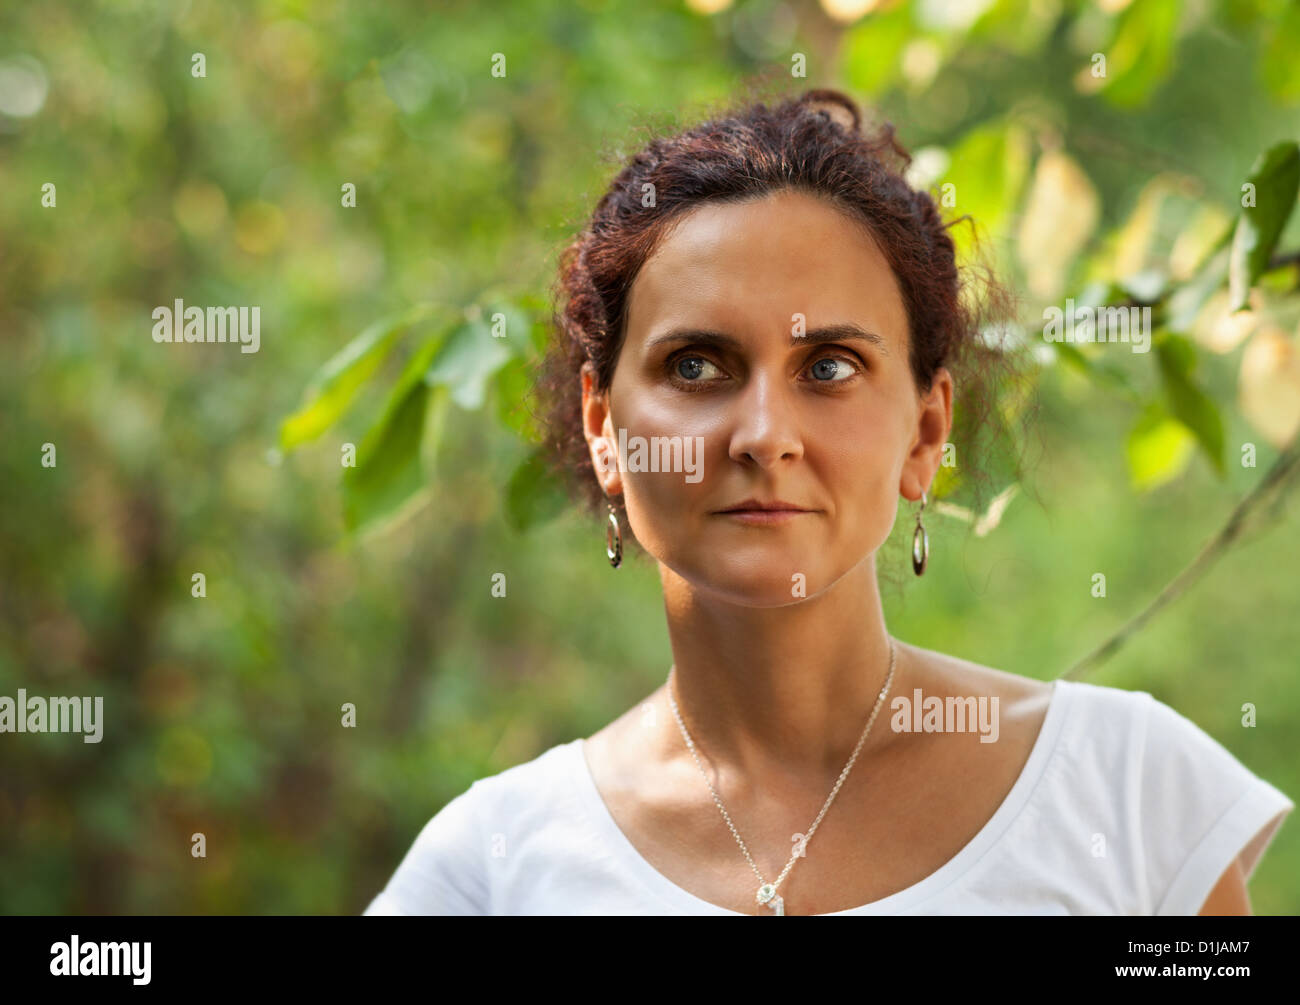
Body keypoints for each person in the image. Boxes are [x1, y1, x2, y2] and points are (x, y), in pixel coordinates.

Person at [363, 88, 1293, 916]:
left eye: (830, 366)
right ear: (604, 427)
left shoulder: (1128, 801)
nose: (764, 432)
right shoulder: (490, 867)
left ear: (927, 432)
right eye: (696, 366)